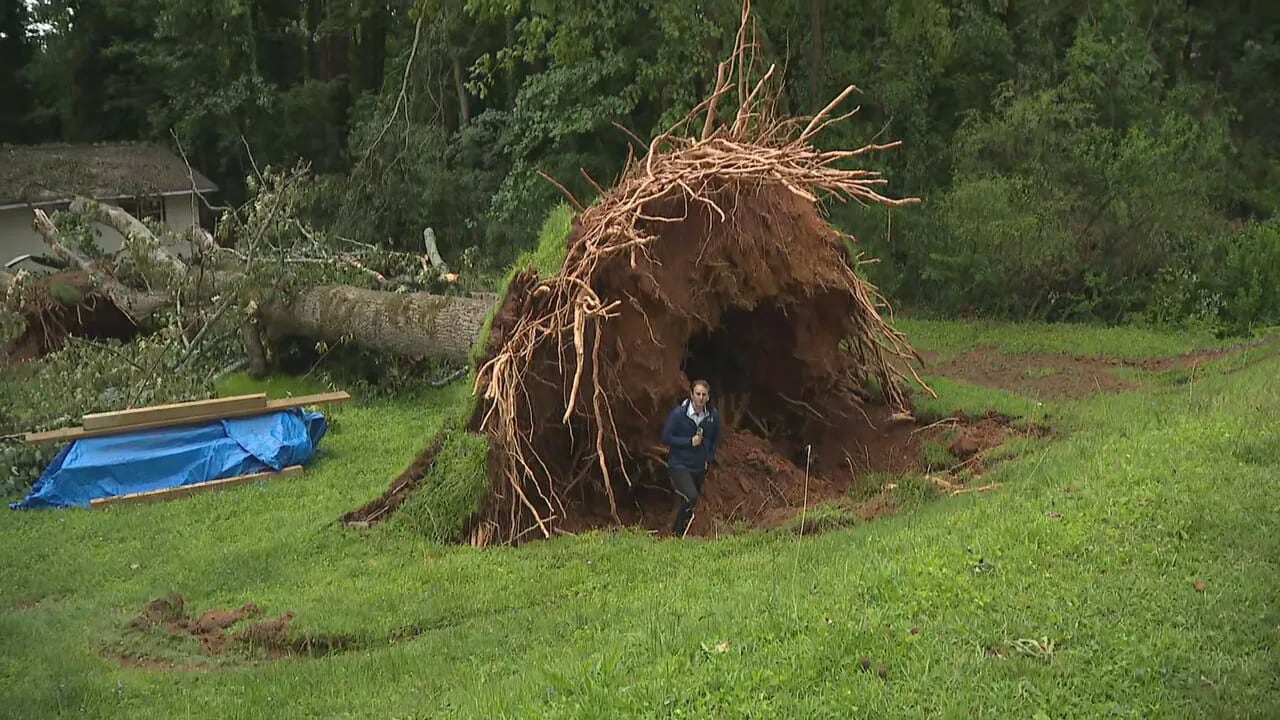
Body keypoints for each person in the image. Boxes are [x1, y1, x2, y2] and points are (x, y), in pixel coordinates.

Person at [660, 379, 721, 537]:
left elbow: (715, 438)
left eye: (704, 395)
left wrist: (709, 455)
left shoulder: (712, 416)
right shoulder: (679, 414)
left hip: (699, 467)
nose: (700, 398)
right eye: (697, 394)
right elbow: (666, 437)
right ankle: (676, 534)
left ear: (708, 397)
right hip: (679, 464)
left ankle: (678, 533)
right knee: (691, 496)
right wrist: (689, 442)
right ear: (692, 395)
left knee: (688, 501)